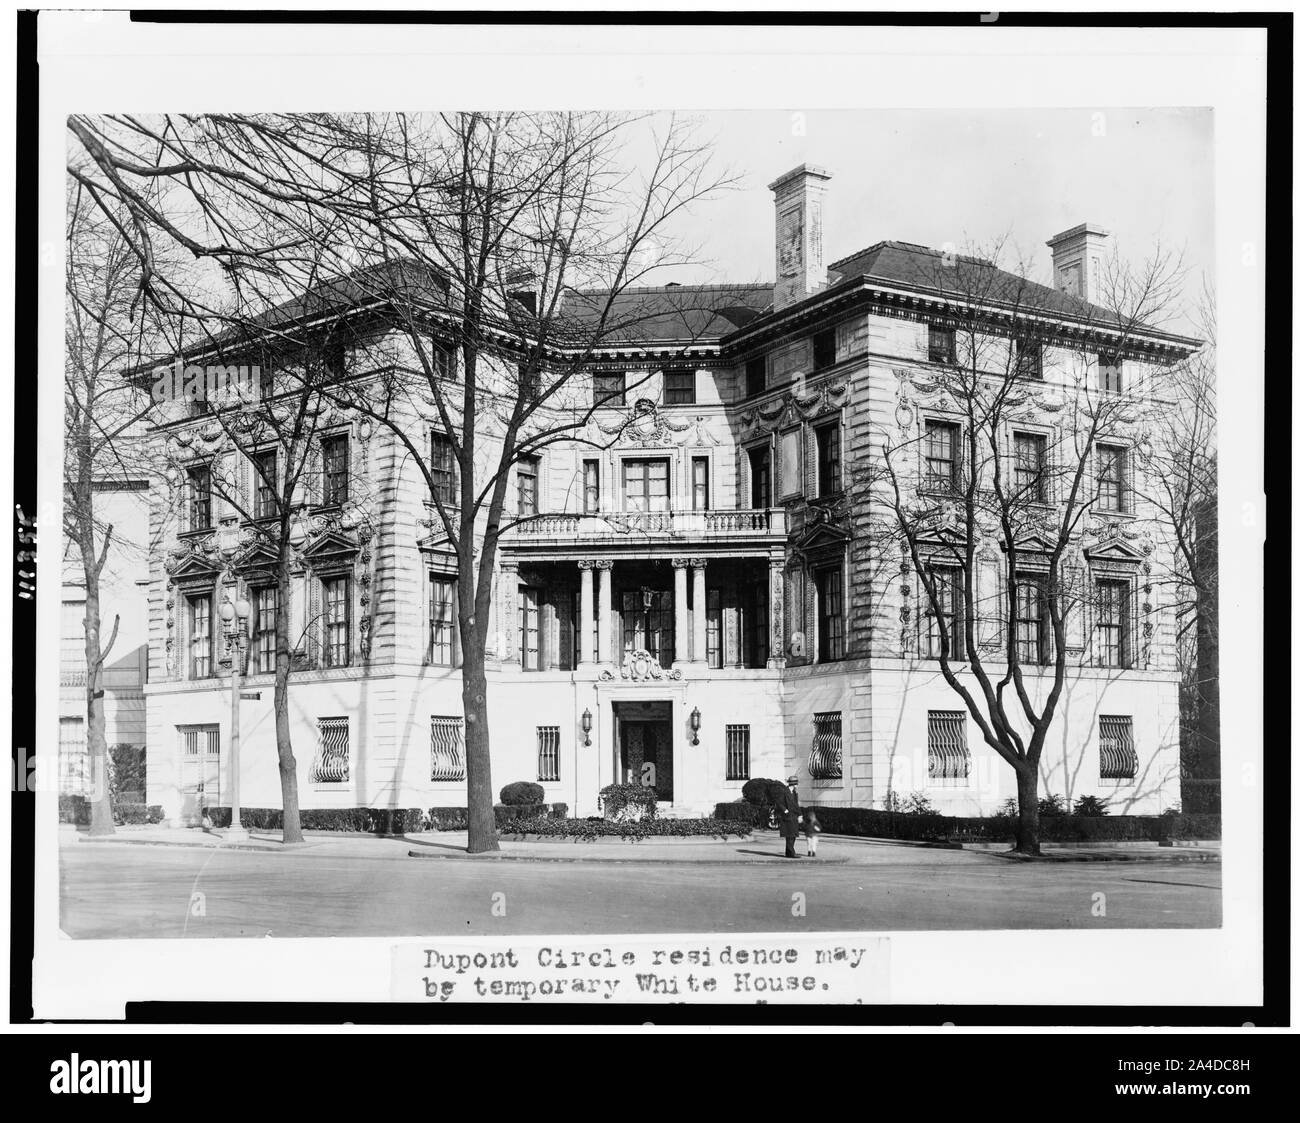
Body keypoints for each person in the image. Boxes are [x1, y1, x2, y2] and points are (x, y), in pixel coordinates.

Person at [773, 774, 803, 858]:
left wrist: (800, 814)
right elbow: (778, 802)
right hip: (787, 816)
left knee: (793, 835)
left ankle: (788, 852)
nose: (797, 785)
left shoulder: (794, 793)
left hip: (793, 816)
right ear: (793, 784)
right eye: (796, 784)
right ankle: (791, 853)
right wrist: (785, 810)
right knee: (790, 835)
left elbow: (796, 805)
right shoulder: (784, 791)